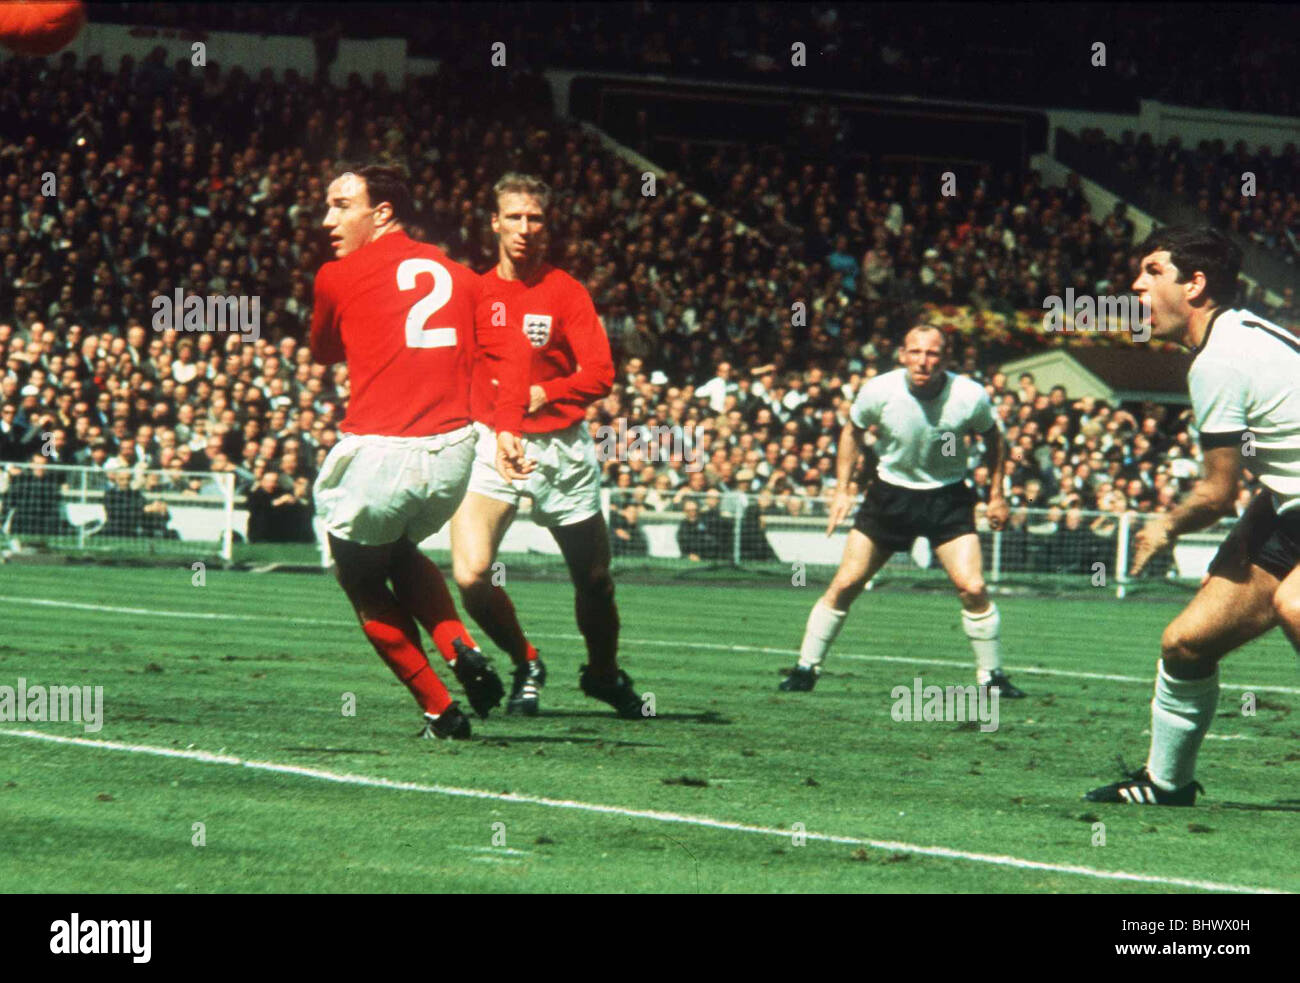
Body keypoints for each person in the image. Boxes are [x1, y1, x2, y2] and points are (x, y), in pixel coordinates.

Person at [1085, 226, 1300, 806]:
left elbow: (1214, 494)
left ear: (1196, 284)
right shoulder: (1239, 338)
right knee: (1186, 642)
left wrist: (1163, 526)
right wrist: (1237, 549)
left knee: (1295, 606)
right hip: (1291, 515)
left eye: (1152, 271)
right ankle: (1166, 784)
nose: (1135, 284)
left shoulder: (1219, 361)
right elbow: (1277, 477)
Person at [310, 165, 501, 742]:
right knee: (397, 553)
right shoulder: (464, 277)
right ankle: (458, 643)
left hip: (381, 454)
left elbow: (323, 351)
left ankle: (441, 712)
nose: (328, 220)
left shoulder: (336, 275)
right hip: (454, 454)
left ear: (383, 212)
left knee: (360, 579)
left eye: (342, 205)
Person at [452, 172, 643, 718]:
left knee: (596, 581)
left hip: (562, 450)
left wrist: (546, 391)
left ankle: (603, 674)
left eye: (535, 218)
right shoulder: (476, 293)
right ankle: (525, 660)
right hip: (494, 445)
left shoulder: (566, 291)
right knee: (470, 574)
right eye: (514, 217)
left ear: (547, 226)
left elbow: (601, 372)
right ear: (494, 223)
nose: (525, 228)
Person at [778, 325, 1025, 698]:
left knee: (973, 587)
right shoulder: (879, 390)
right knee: (845, 584)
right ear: (903, 355)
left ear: (946, 358)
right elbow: (852, 431)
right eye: (915, 352)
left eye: (932, 354)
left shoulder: (969, 395)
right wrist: (843, 488)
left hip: (948, 497)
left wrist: (996, 495)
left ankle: (992, 676)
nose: (923, 361)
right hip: (889, 496)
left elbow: (993, 438)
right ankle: (805, 668)